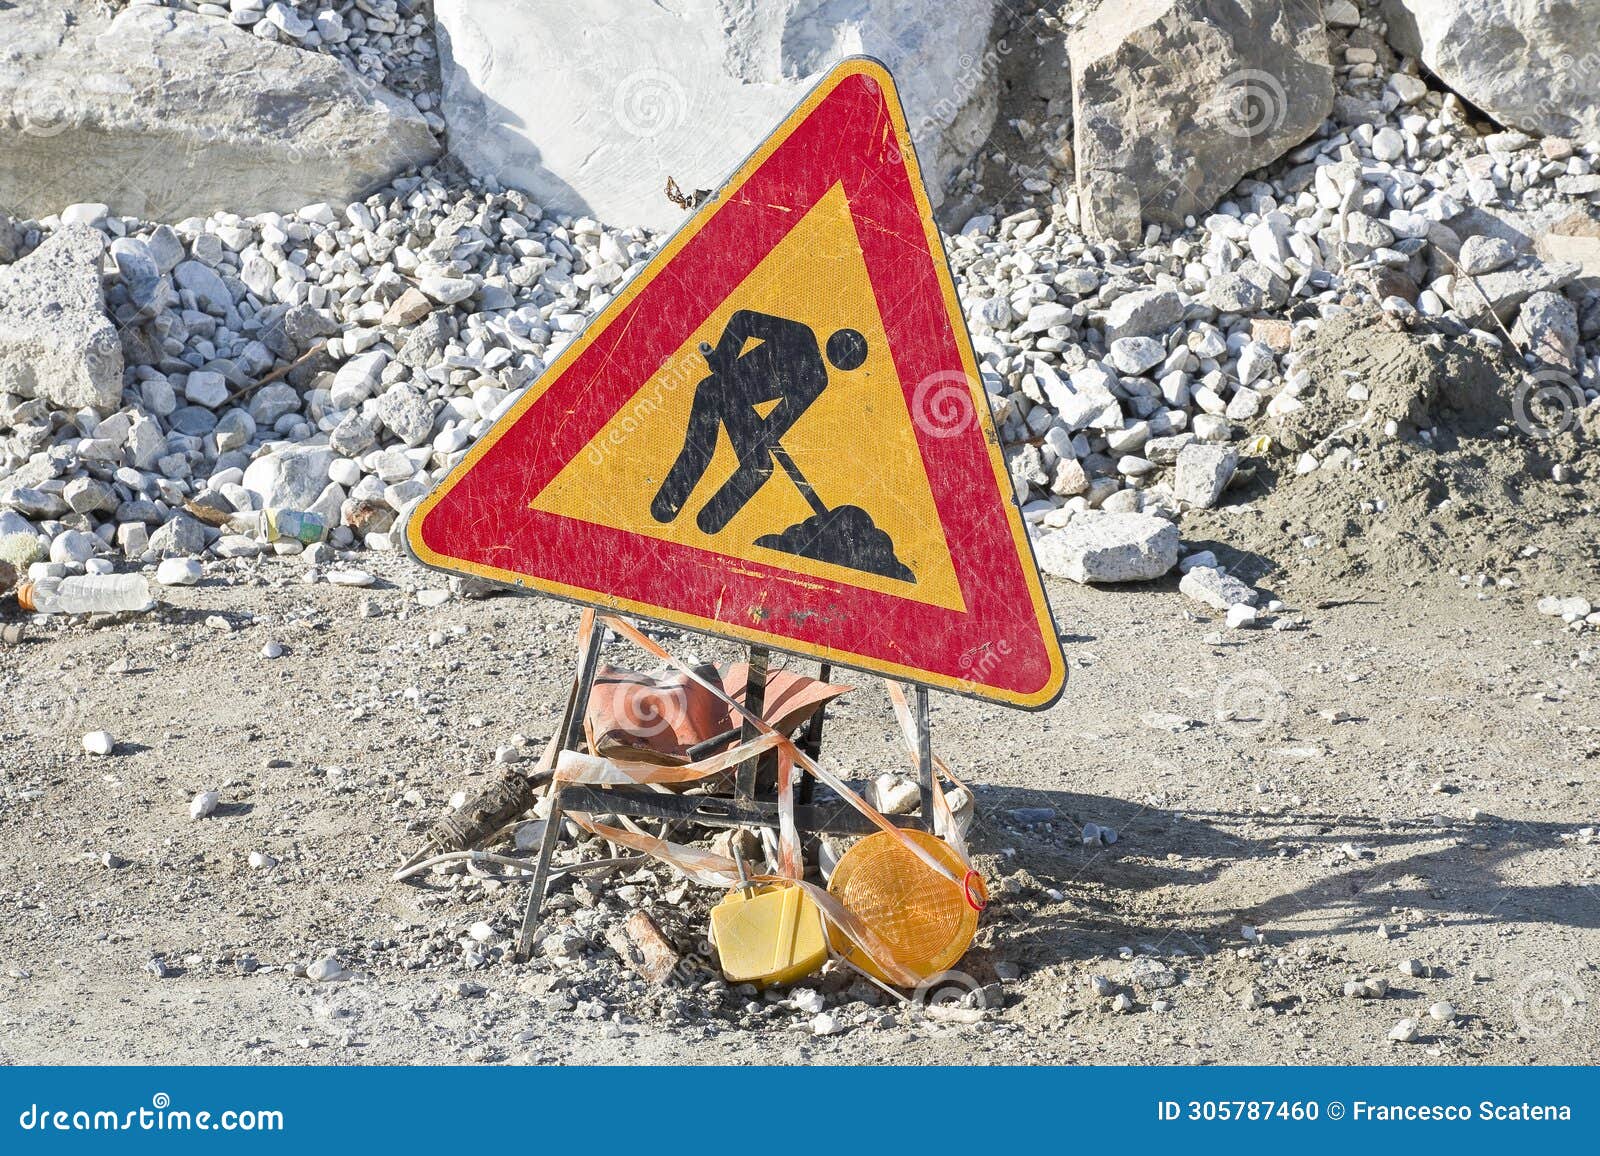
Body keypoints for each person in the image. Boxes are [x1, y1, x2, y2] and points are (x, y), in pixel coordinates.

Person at [651, 310, 867, 535]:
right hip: (715, 390)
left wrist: (763, 433)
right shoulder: (799, 335)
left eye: (850, 354)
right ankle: (667, 505)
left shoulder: (817, 378)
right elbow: (743, 320)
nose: (844, 353)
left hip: (737, 404)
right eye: (846, 347)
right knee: (701, 449)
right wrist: (725, 356)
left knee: (759, 466)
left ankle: (708, 522)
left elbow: (781, 419)